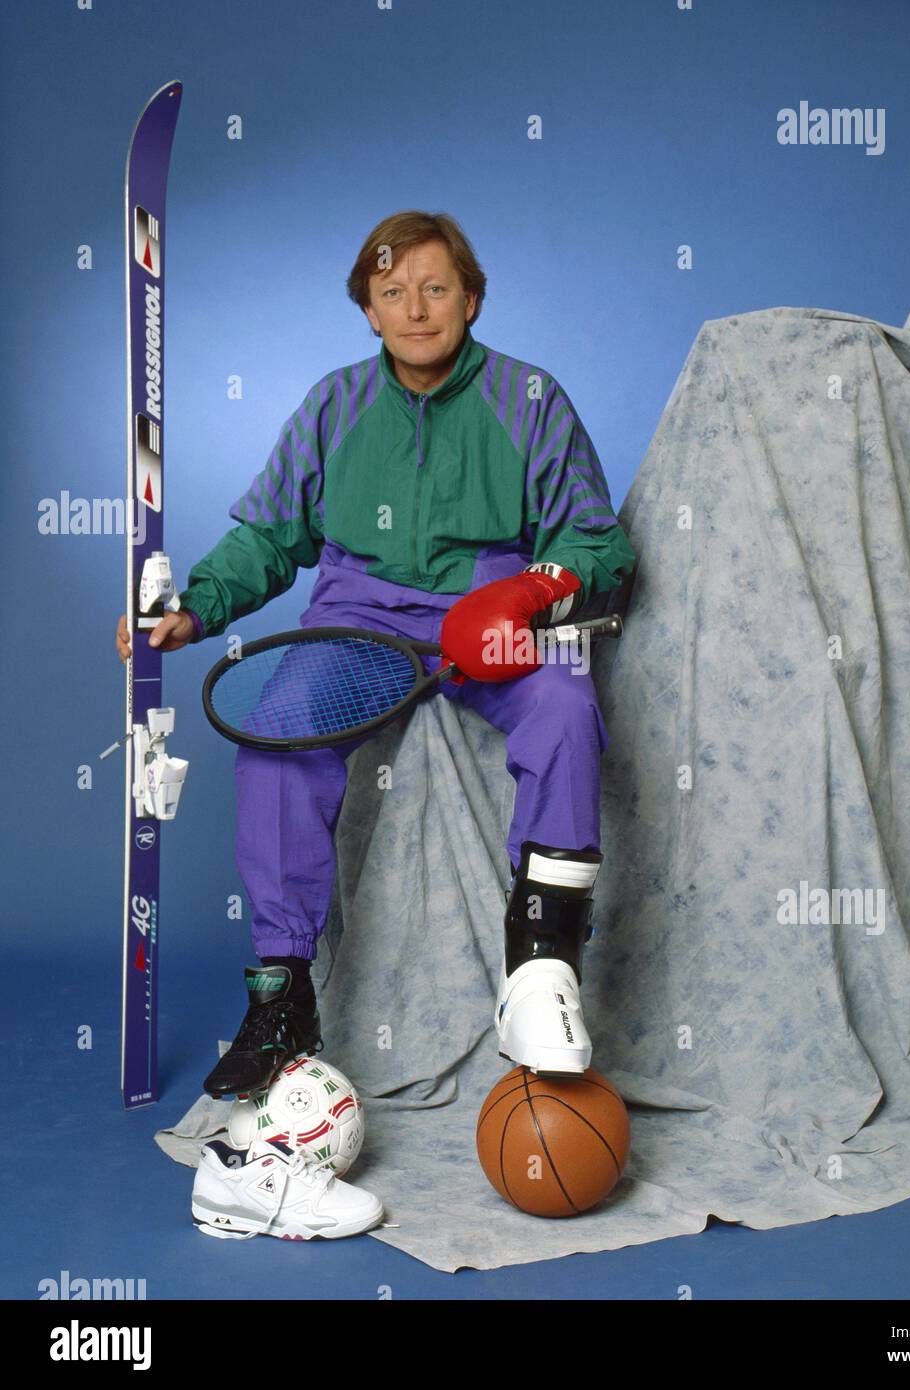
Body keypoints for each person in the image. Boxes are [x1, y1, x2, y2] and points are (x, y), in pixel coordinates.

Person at [116, 209, 635, 1099]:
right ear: (368, 309)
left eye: (436, 289)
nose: (416, 309)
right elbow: (268, 537)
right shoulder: (334, 405)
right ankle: (283, 1000)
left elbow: (601, 545)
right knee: (277, 728)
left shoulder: (531, 399)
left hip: (490, 618)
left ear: (471, 299)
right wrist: (195, 608)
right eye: (392, 292)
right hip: (358, 622)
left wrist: (530, 589)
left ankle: (543, 974)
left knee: (566, 705)